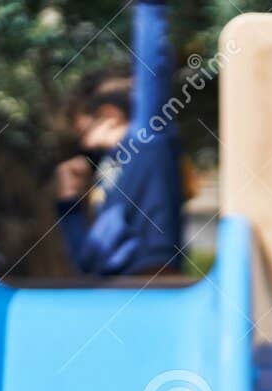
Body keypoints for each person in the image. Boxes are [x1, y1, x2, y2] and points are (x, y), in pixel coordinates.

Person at [54, 0, 183, 276]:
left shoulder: (147, 141)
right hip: (111, 289)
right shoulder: (108, 171)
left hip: (151, 283)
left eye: (83, 131)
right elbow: (87, 260)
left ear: (110, 115)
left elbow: (153, 71)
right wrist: (69, 203)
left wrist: (149, 7)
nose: (84, 145)